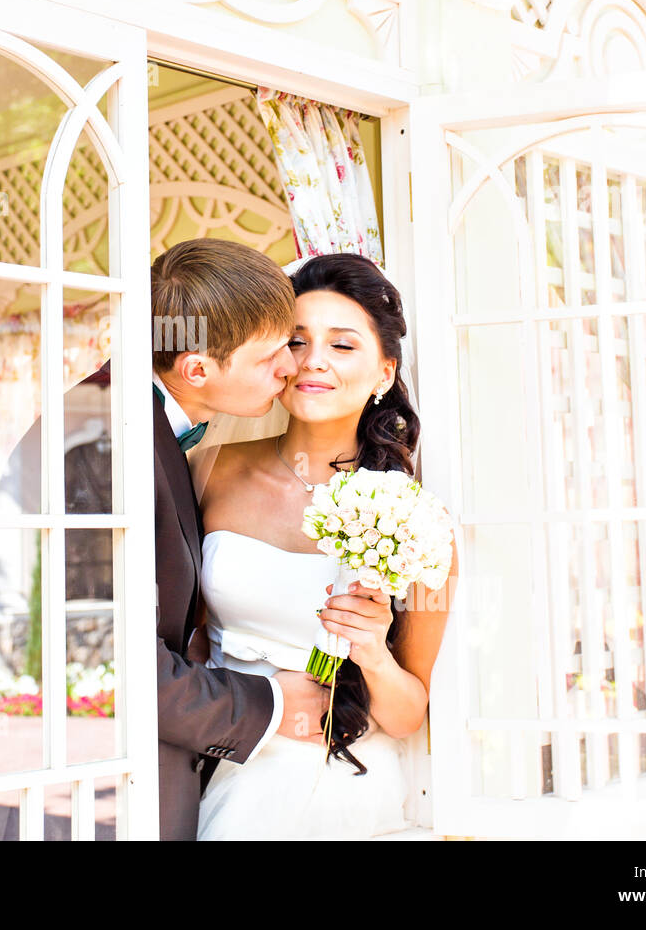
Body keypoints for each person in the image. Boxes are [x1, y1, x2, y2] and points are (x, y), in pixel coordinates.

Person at [190, 252, 459, 840]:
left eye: (342, 346)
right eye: (295, 340)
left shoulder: (414, 521)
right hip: (221, 761)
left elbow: (409, 712)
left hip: (342, 783)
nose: (312, 362)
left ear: (384, 373)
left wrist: (372, 652)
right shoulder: (209, 470)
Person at [150, 238, 336, 841]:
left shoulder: (163, 433)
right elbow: (99, 657)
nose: (294, 367)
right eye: (271, 355)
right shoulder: (106, 445)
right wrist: (273, 705)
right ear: (197, 369)